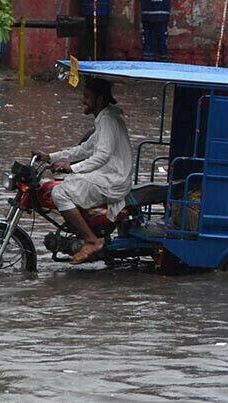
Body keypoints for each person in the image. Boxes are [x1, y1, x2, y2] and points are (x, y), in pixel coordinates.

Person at [36, 78, 134, 264]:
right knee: (69, 184)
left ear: (99, 100)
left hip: (113, 180)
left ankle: (91, 240)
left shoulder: (107, 120)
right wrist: (51, 157)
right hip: (108, 175)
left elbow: (101, 156)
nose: (83, 101)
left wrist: (72, 168)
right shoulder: (106, 118)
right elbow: (85, 149)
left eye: (87, 97)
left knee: (60, 193)